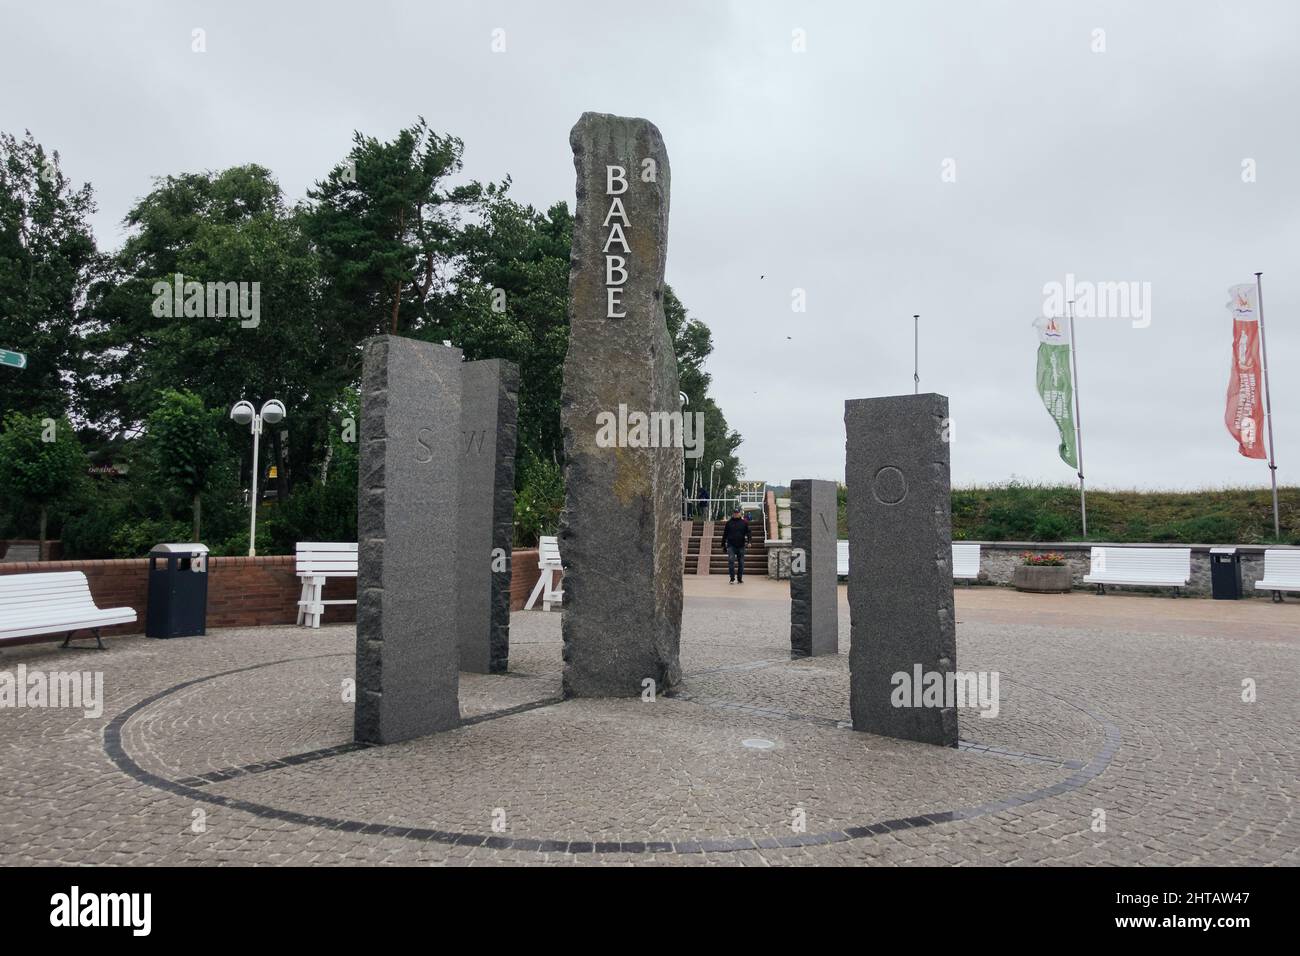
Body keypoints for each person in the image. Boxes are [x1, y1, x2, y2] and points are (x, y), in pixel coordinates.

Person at [721, 507, 752, 584]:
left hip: (741, 545)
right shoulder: (728, 523)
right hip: (731, 546)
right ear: (733, 514)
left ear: (740, 513)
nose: (736, 514)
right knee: (731, 561)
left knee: (741, 563)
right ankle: (732, 578)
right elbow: (725, 534)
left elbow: (748, 533)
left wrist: (749, 541)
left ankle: (739, 578)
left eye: (737, 513)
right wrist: (723, 545)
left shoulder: (744, 523)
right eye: (735, 513)